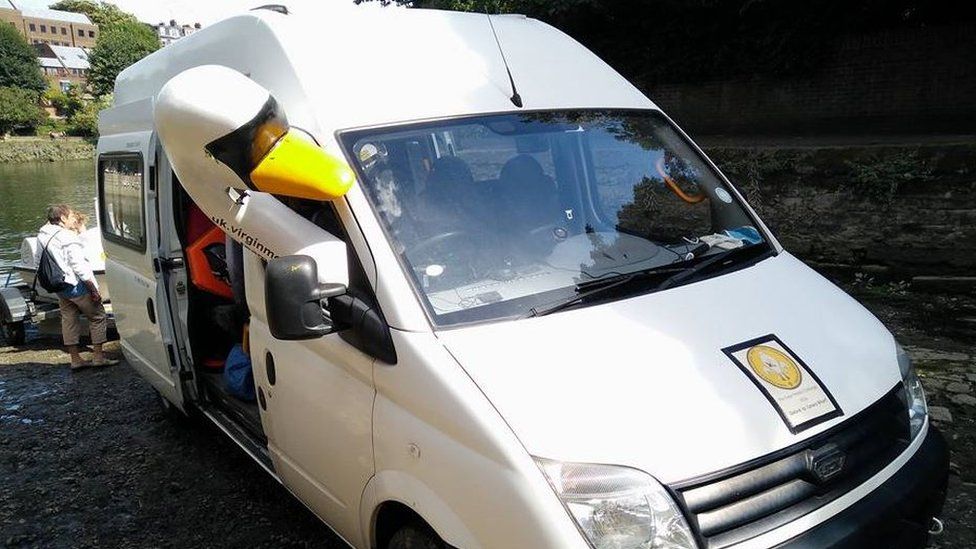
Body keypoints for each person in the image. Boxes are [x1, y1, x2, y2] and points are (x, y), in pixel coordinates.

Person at [36, 205, 117, 371]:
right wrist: (93, 288)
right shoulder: (66, 237)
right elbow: (79, 266)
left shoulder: (42, 235)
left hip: (59, 286)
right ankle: (98, 357)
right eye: (71, 215)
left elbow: (38, 260)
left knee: (68, 319)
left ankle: (75, 359)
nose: (74, 218)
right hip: (75, 284)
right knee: (97, 316)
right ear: (63, 218)